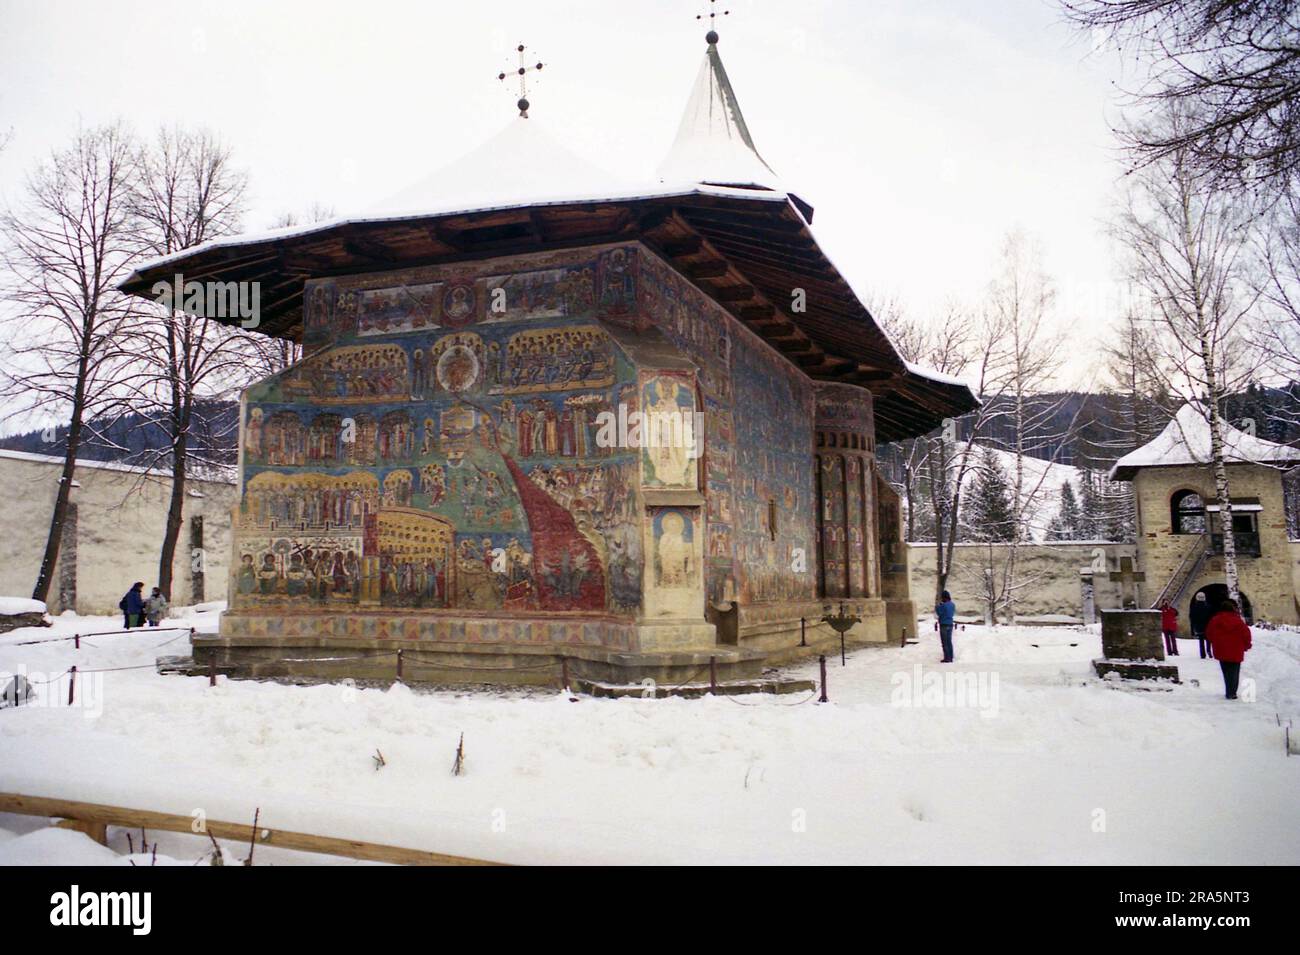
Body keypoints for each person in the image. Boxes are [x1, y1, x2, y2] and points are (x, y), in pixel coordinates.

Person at [1206, 598, 1252, 700]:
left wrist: (1215, 641)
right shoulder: (1238, 621)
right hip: (1236, 650)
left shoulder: (1215, 620)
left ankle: (1228, 691)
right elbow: (1246, 634)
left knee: (1226, 672)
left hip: (1221, 649)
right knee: (1235, 672)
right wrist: (1247, 645)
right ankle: (1232, 692)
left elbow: (1209, 633)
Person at [1189, 591, 1213, 659]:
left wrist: (1192, 629)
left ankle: (1202, 654)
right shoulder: (1208, 607)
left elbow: (1192, 618)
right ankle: (1209, 651)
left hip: (1198, 626)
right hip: (1207, 626)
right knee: (1208, 639)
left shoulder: (1194, 607)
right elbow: (1211, 617)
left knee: (1201, 640)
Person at [935, 590, 956, 663]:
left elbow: (939, 613)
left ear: (944, 597)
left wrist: (938, 606)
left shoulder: (943, 605)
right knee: (949, 641)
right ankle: (951, 655)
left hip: (943, 624)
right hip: (950, 623)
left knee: (944, 642)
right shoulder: (952, 605)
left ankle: (947, 658)